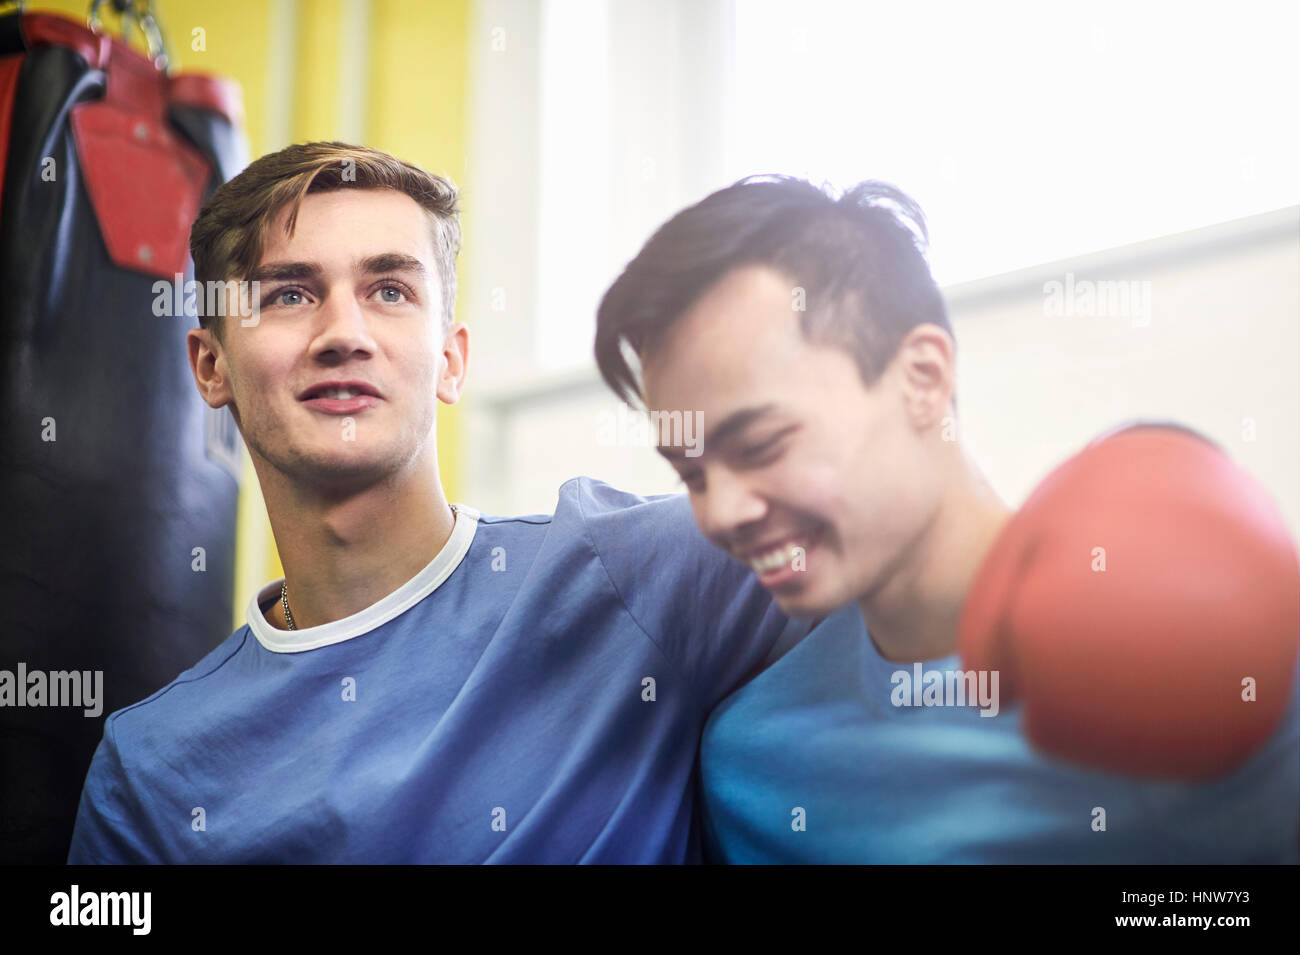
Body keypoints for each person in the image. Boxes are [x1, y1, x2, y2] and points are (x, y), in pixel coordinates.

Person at [66, 142, 808, 864]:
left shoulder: (629, 576)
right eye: (289, 293)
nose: (344, 334)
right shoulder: (152, 770)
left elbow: (883, 516)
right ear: (210, 365)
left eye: (390, 291)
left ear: (451, 360)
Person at [593, 175, 1300, 862]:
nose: (722, 511)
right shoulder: (753, 763)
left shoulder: (1184, 646)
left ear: (923, 378)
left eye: (762, 445)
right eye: (691, 474)